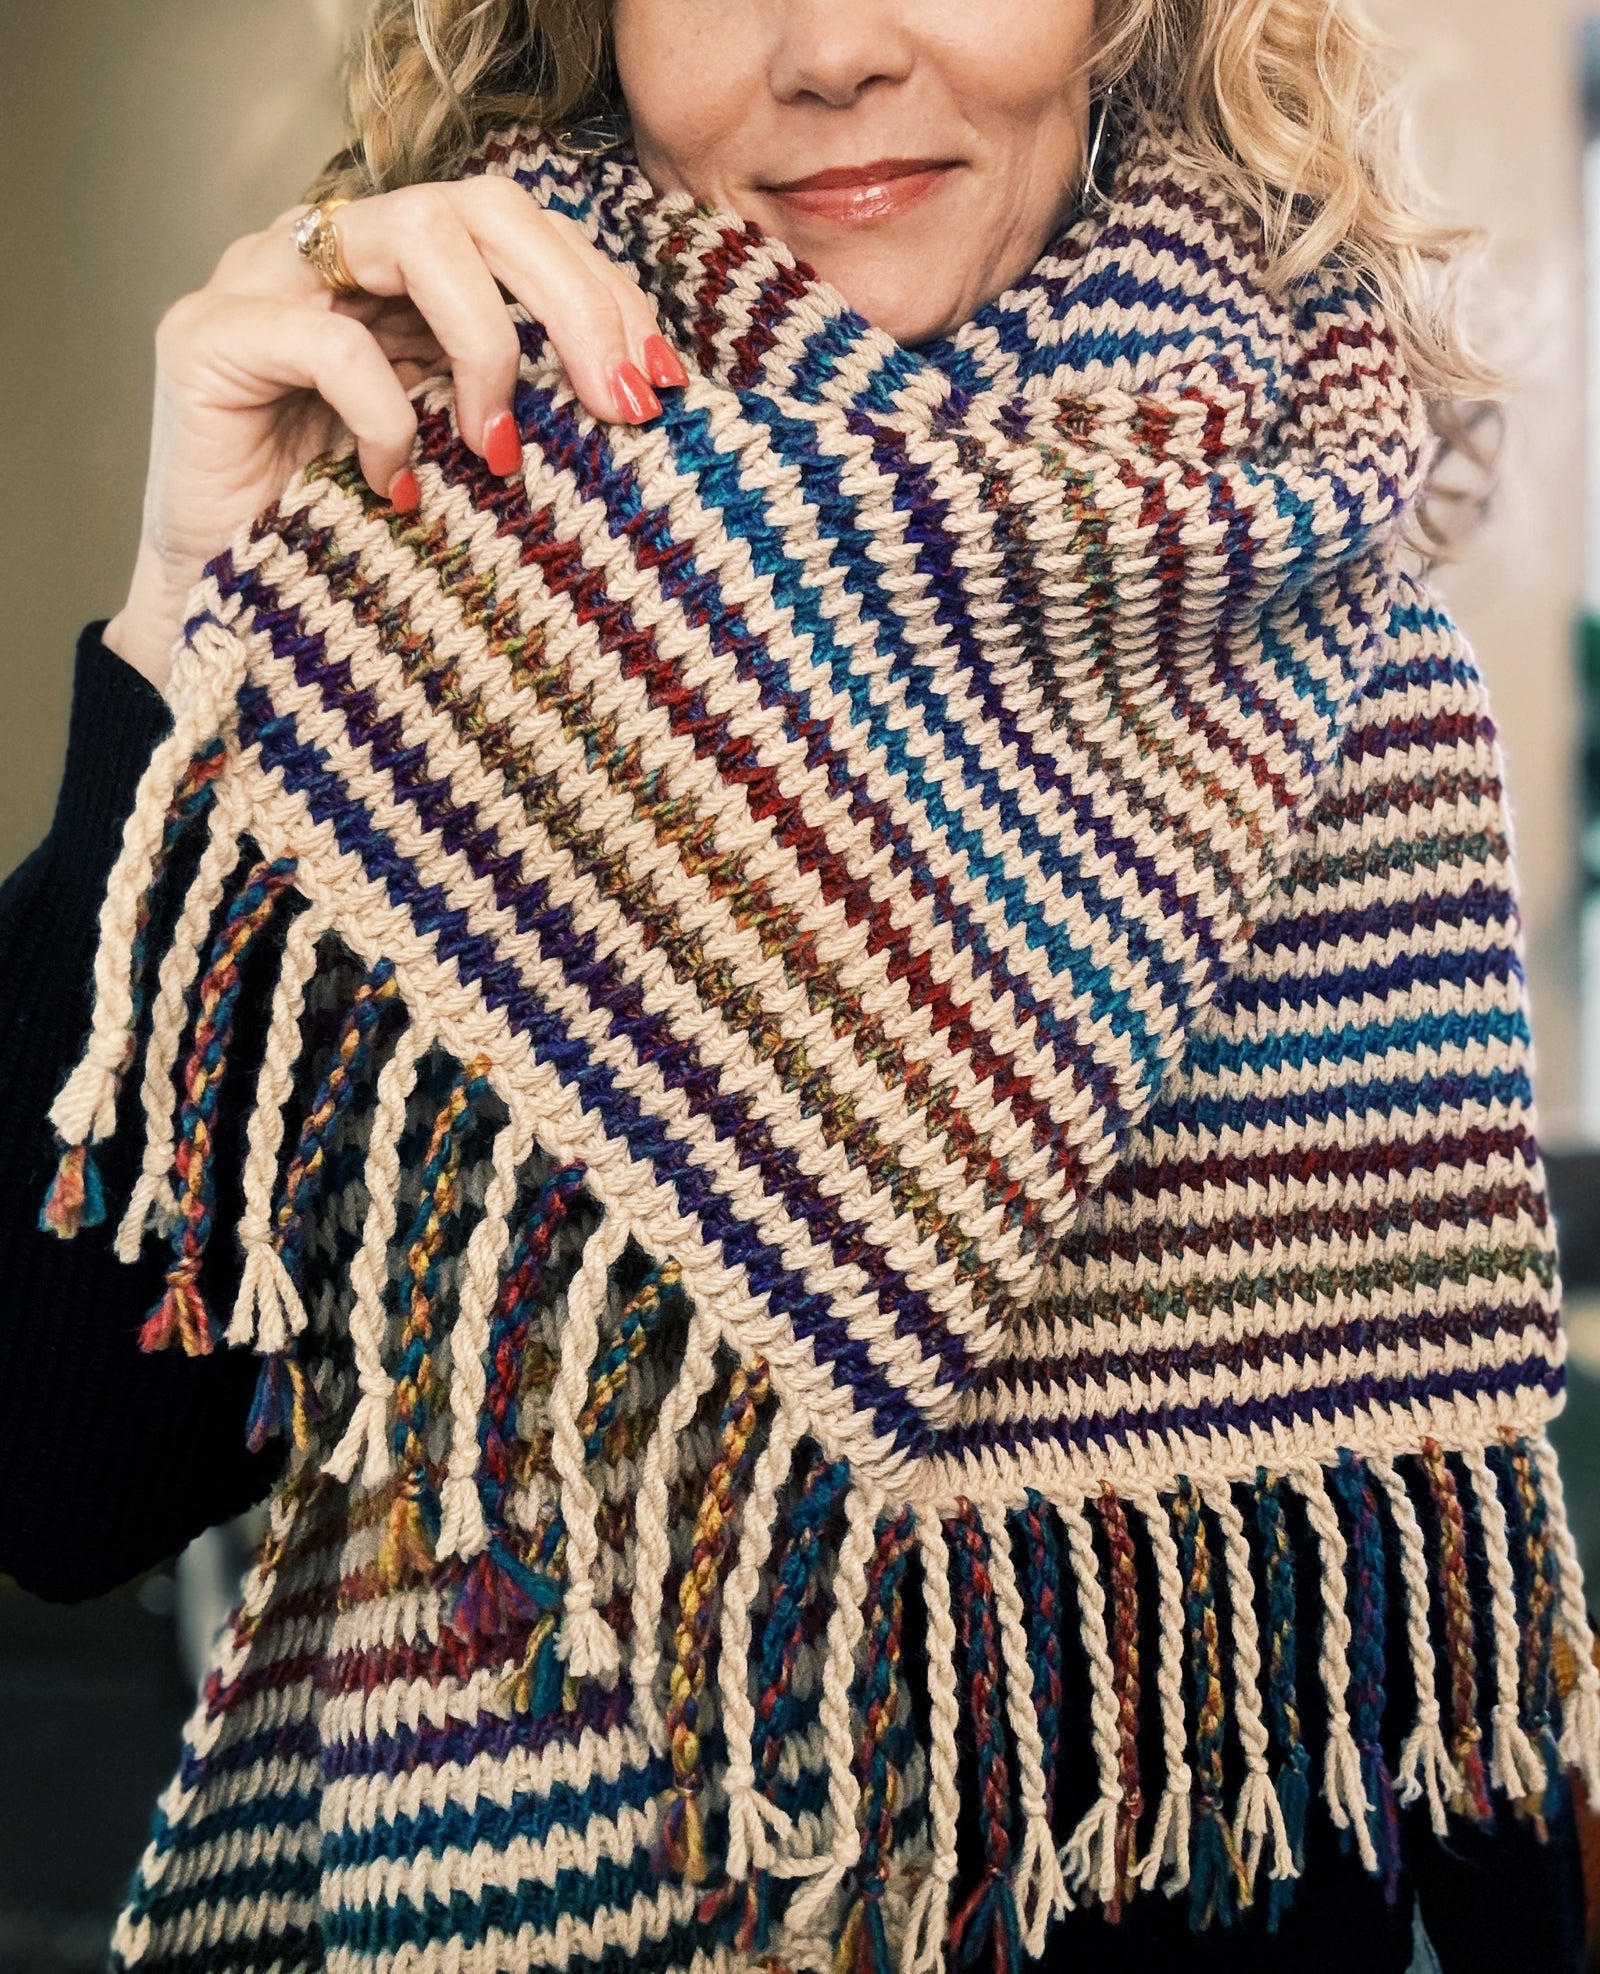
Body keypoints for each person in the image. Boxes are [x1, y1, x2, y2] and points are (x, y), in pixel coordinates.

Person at [0, 1, 1590, 1969]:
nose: (829, 46)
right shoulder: (438, 572)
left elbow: (1441, 1701)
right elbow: (59, 1489)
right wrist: (184, 611)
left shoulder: (1353, 665)